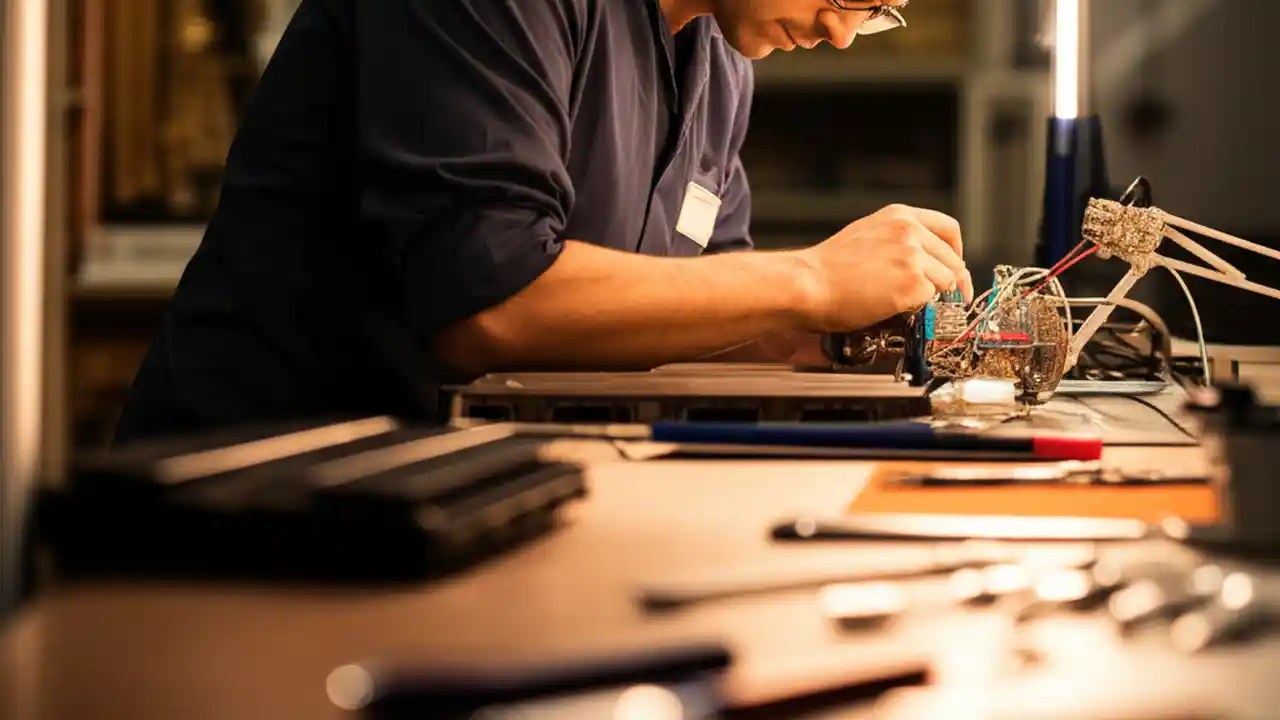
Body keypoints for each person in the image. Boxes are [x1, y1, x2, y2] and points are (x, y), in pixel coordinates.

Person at [114, 0, 972, 443]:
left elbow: (689, 308)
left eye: (879, 6)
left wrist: (831, 333)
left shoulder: (718, 57)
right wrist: (813, 279)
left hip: (461, 485)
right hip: (260, 502)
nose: (843, 31)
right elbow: (488, 303)